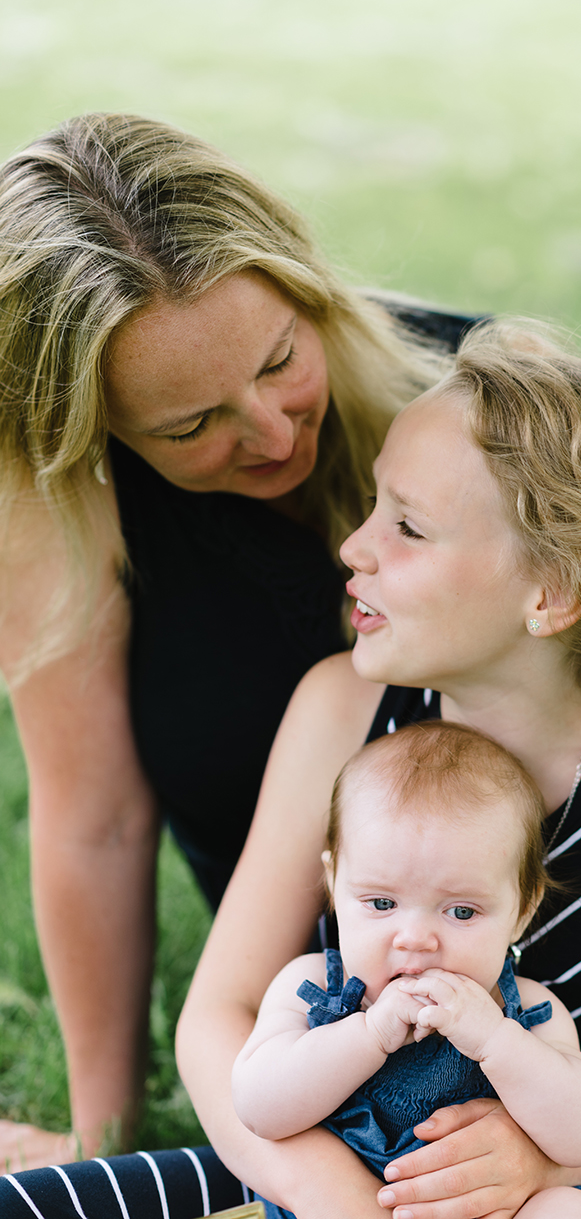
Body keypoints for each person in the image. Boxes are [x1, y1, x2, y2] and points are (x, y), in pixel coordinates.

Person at [2, 325, 581, 1215]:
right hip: (324, 1161)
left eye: (407, 526)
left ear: (553, 592)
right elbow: (221, 1016)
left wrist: (541, 1168)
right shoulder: (342, 712)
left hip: (565, 1193)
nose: (354, 547)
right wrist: (328, 1193)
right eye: (373, 507)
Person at [0, 112, 472, 1167]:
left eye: (279, 360)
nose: (269, 432)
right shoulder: (63, 513)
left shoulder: (482, 399)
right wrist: (102, 1136)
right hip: (314, 1028)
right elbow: (95, 823)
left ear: (307, 288)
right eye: (189, 425)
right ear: (95, 429)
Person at [233, 720, 581, 1219]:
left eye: (461, 911)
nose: (416, 938)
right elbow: (259, 1109)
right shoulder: (309, 988)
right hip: (340, 1207)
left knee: (569, 1210)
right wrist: (369, 1034)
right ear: (334, 885)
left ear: (522, 911)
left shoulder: (529, 1012)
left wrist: (495, 1040)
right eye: (381, 903)